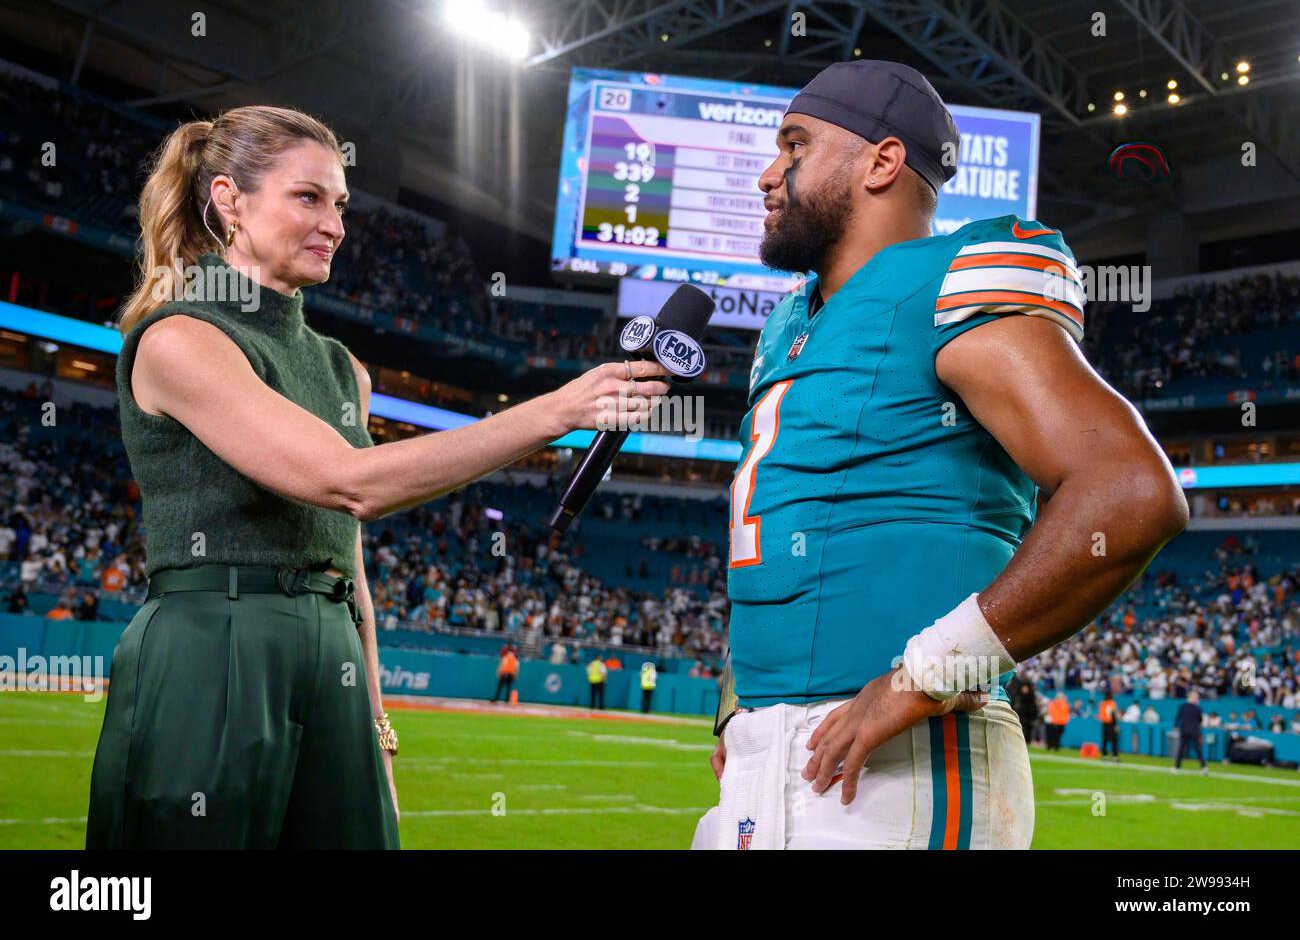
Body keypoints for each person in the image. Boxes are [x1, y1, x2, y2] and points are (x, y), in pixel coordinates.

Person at [86, 105, 670, 850]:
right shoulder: (179, 339)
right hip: (211, 645)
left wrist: (375, 722)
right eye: (308, 197)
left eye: (340, 203)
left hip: (332, 650)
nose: (334, 222)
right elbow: (348, 480)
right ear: (228, 199)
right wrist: (555, 411)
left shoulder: (342, 368)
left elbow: (346, 555)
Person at [696, 59, 1186, 850]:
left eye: (794, 145)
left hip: (901, 767)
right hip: (773, 749)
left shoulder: (952, 275)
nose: (766, 173)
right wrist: (741, 702)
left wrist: (930, 672)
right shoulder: (792, 321)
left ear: (882, 161)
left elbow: (1130, 490)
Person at [1173, 690, 1208, 775]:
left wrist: (1176, 726)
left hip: (1189, 731)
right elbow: (1200, 720)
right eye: (1195, 697)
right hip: (1191, 731)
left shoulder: (1192, 707)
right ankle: (1177, 767)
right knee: (1188, 750)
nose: (1196, 699)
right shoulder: (1196, 708)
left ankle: (1203, 767)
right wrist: (1176, 726)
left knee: (1192, 750)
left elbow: (1178, 718)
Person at [1098, 688, 1120, 761]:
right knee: (1114, 741)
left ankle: (1104, 756)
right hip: (1111, 723)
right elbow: (1113, 714)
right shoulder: (1112, 703)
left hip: (1104, 724)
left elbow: (1100, 714)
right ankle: (1115, 757)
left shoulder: (1102, 703)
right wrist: (1116, 724)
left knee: (1105, 740)